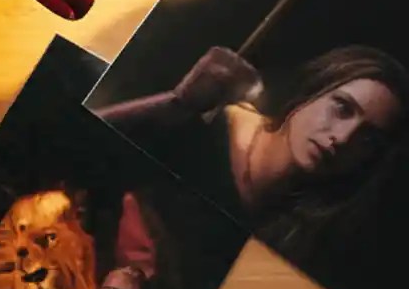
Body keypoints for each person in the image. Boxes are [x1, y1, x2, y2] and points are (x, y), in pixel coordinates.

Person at [95, 45, 409, 265]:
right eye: (342, 108)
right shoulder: (209, 122)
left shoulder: (299, 230)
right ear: (310, 92)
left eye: (368, 139)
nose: (342, 138)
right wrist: (176, 104)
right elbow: (80, 136)